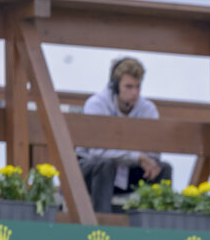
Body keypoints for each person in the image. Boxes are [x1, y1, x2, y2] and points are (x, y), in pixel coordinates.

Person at [74, 56, 174, 214]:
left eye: (137, 87)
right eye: (128, 86)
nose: (134, 92)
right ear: (114, 86)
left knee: (163, 169)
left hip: (128, 173)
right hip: (92, 173)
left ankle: (157, 226)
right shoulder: (97, 104)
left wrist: (149, 162)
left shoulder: (148, 109)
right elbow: (97, 151)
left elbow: (154, 150)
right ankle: (101, 226)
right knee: (105, 164)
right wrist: (138, 157)